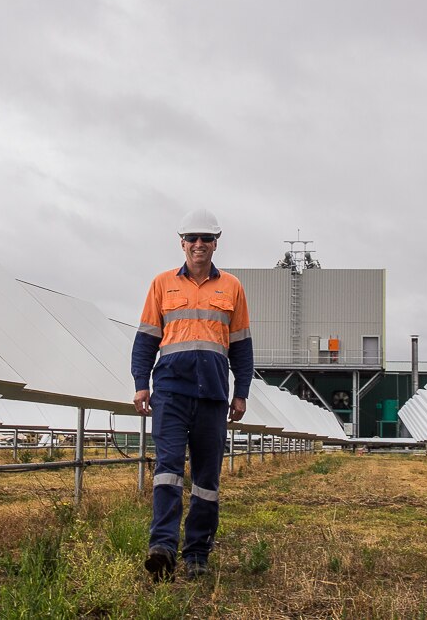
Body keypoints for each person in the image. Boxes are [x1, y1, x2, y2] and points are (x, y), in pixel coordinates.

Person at [131, 208, 254, 581]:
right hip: (170, 392)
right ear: (182, 243)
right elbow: (146, 340)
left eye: (206, 238)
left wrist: (241, 392)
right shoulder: (161, 284)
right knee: (167, 470)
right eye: (192, 238)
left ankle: (197, 553)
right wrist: (141, 383)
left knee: (206, 479)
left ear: (216, 243)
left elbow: (241, 346)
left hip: (213, 396)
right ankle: (163, 549)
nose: (199, 244)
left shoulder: (232, 287)